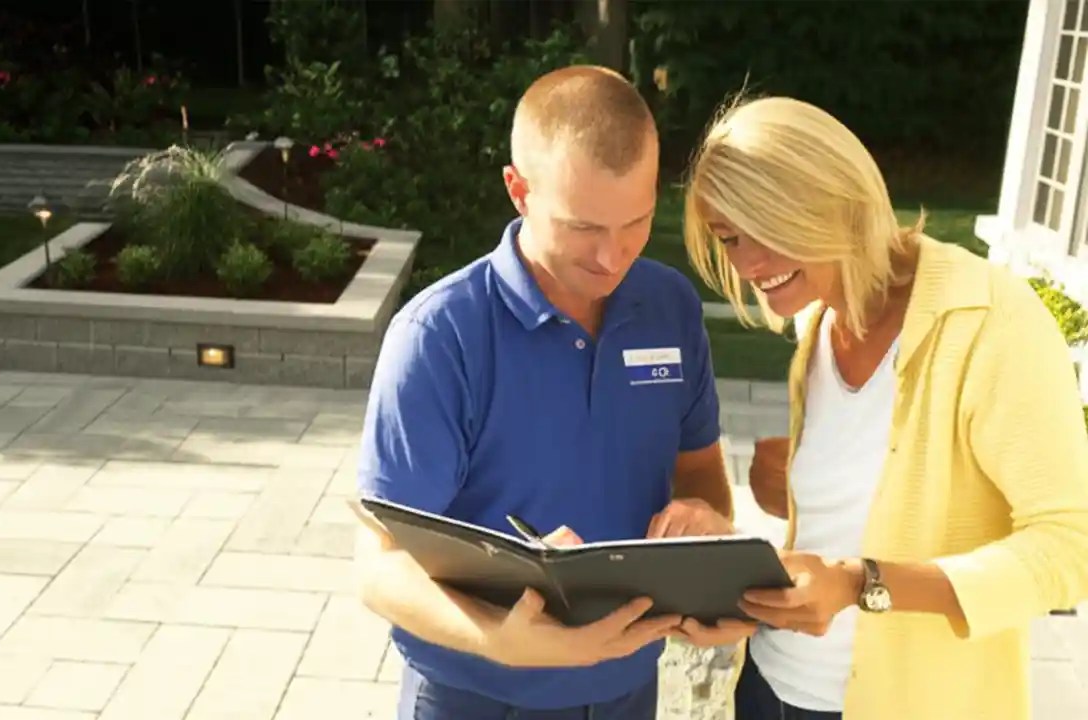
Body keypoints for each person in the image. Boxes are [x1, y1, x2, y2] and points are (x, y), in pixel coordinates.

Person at [678, 94, 1088, 720]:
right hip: (768, 686)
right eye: (730, 238)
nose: (749, 263)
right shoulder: (816, 320)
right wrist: (794, 493)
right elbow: (879, 508)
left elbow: (1069, 546)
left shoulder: (990, 320)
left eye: (769, 227)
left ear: (838, 199)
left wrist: (859, 583)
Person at [353, 65, 743, 719]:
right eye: (583, 227)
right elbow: (379, 565)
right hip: (474, 696)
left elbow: (701, 475)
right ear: (518, 190)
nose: (613, 257)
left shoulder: (670, 307)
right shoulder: (439, 337)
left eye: (637, 221)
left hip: (628, 692)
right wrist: (501, 639)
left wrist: (705, 522)